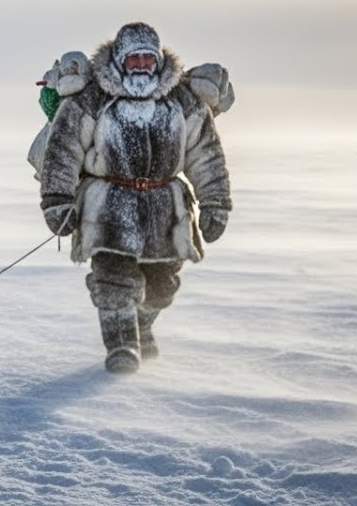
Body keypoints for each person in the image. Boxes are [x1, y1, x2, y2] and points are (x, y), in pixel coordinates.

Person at [38, 23, 232, 374]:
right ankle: (122, 346)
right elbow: (63, 150)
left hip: (165, 210)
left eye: (147, 58)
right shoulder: (92, 99)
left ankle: (141, 326)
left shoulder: (183, 101)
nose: (141, 65)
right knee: (114, 283)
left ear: (158, 61)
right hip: (108, 208)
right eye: (134, 58)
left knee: (162, 287)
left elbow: (206, 155)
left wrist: (215, 203)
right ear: (119, 60)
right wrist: (57, 200)